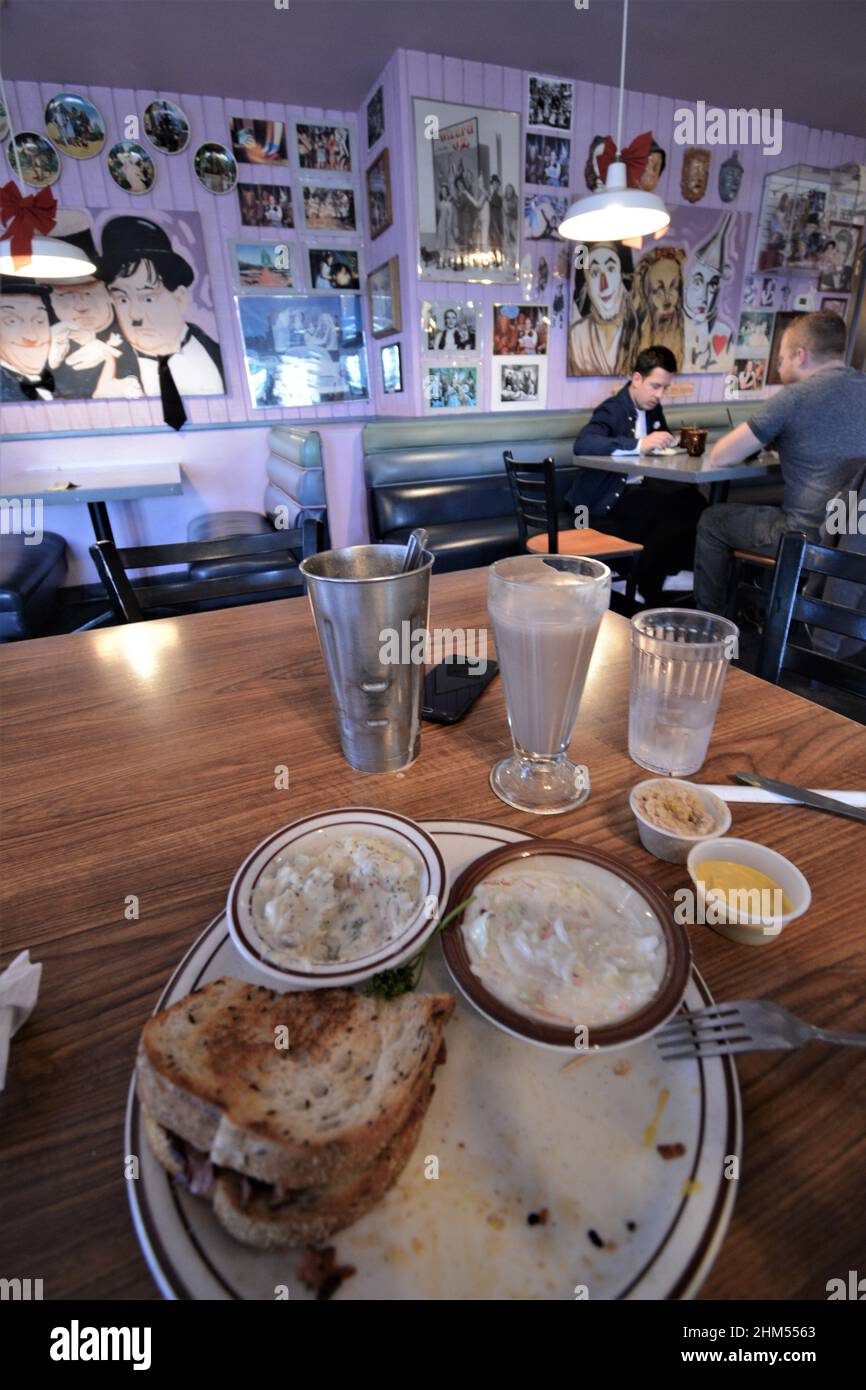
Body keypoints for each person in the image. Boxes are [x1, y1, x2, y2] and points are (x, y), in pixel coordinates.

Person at [694, 311, 866, 614]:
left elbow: (722, 455)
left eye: (782, 358)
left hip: (806, 535)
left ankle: (710, 625)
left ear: (800, 356)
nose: (780, 365)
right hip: (853, 538)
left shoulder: (795, 397)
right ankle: (763, 609)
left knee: (713, 520)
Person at [569, 345, 707, 607]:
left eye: (664, 388)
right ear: (636, 379)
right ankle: (648, 580)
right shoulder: (612, 409)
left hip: (642, 489)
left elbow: (656, 446)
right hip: (599, 502)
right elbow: (584, 444)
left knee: (695, 503)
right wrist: (639, 445)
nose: (659, 394)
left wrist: (670, 443)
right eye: (655, 386)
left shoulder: (653, 409)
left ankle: (666, 573)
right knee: (662, 510)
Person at [100, 216, 225, 408]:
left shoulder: (217, 354)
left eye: (148, 298)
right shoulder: (107, 369)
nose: (135, 315)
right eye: (122, 299)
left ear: (180, 297)